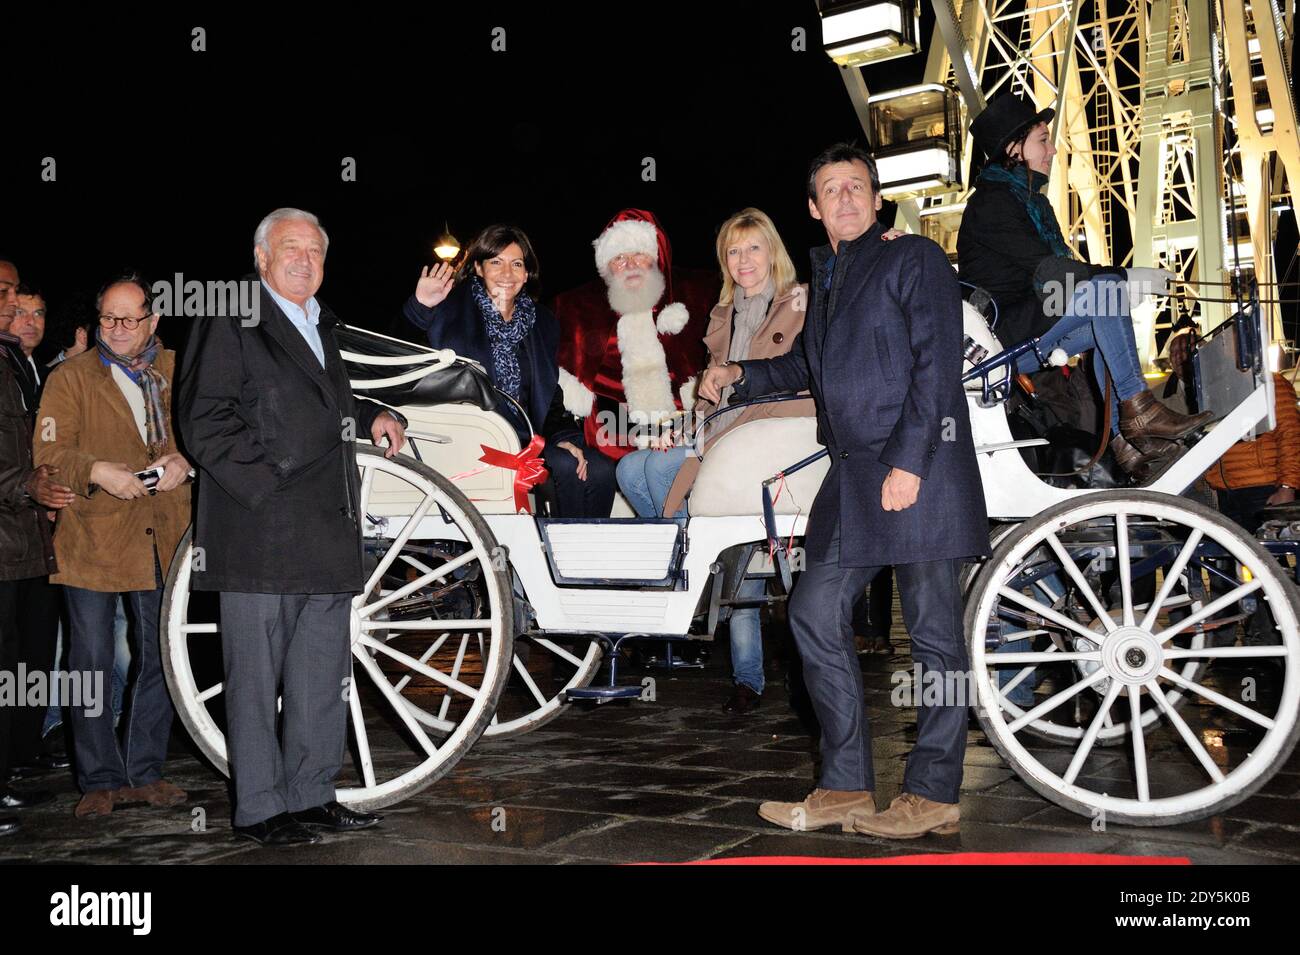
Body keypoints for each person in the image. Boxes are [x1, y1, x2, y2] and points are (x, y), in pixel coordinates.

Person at [701, 143, 990, 838]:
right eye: (832, 189)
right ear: (813, 207)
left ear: (877, 195)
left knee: (933, 636)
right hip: (854, 476)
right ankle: (845, 784)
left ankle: (933, 793)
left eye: (858, 186)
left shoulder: (912, 258)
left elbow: (938, 361)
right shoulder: (830, 280)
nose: (847, 199)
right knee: (810, 608)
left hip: (918, 466)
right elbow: (806, 364)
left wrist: (912, 461)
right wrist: (738, 373)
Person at [177, 208, 407, 847]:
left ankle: (312, 795)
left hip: (326, 531)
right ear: (260, 258)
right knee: (252, 678)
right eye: (290, 248)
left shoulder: (320, 322)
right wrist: (268, 486)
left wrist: (374, 414)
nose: (304, 260)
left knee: (319, 676)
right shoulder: (232, 317)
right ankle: (259, 809)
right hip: (259, 532)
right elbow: (204, 420)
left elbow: (325, 402)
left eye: (315, 250)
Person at [614, 208, 812, 712]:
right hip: (718, 431)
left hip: (766, 432)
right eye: (733, 251)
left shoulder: (800, 302)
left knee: (662, 472)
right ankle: (697, 556)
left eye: (753, 248)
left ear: (772, 252)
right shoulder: (724, 313)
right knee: (631, 467)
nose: (743, 260)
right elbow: (706, 397)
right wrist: (680, 427)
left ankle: (740, 664)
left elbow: (802, 373)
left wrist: (726, 390)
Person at [957, 93, 1214, 480]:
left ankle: (1124, 443)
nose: (1052, 149)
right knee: (1106, 291)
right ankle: (1140, 411)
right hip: (1002, 336)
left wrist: (1121, 277)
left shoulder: (1030, 202)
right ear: (1013, 148)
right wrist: (1124, 276)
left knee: (1103, 324)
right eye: (1042, 140)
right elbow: (1051, 269)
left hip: (1031, 322)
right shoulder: (991, 204)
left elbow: (1060, 273)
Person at [33, 270, 191, 819]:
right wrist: (96, 468)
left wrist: (183, 460)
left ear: (153, 320)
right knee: (91, 662)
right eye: (108, 318)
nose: (117, 328)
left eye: (129, 318)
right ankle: (98, 778)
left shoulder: (178, 370)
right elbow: (49, 452)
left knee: (163, 661)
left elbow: (204, 430)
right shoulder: (71, 377)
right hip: (92, 539)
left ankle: (145, 772)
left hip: (164, 536)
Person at [549, 209, 716, 516]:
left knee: (656, 465)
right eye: (619, 258)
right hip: (611, 439)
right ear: (607, 268)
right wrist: (566, 436)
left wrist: (684, 428)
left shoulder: (698, 299)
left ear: (656, 258)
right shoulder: (581, 312)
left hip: (686, 429)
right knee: (622, 470)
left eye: (639, 254)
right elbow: (559, 386)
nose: (630, 266)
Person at [0, 258, 71, 835]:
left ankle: (17, 759)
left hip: (29, 537)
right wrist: (24, 485)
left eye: (27, 305)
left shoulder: (21, 366)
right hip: (11, 530)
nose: (18, 312)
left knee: (28, 657)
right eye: (7, 298)